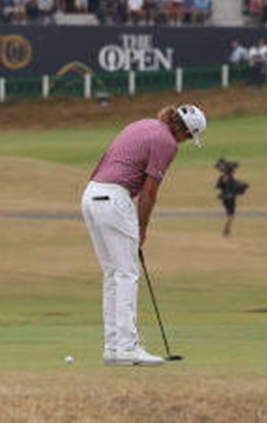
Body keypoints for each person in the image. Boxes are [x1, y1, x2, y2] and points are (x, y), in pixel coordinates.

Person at [80, 103, 206, 367]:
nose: (183, 142)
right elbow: (149, 192)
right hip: (115, 199)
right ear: (184, 131)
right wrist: (142, 228)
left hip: (91, 195)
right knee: (126, 274)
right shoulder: (167, 142)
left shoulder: (141, 124)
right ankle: (127, 348)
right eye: (188, 137)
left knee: (114, 275)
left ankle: (114, 347)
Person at [214, 156, 247, 237]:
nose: (234, 171)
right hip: (228, 198)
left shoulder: (224, 178)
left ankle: (227, 230)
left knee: (230, 215)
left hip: (227, 197)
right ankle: (226, 230)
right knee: (231, 215)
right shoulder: (226, 178)